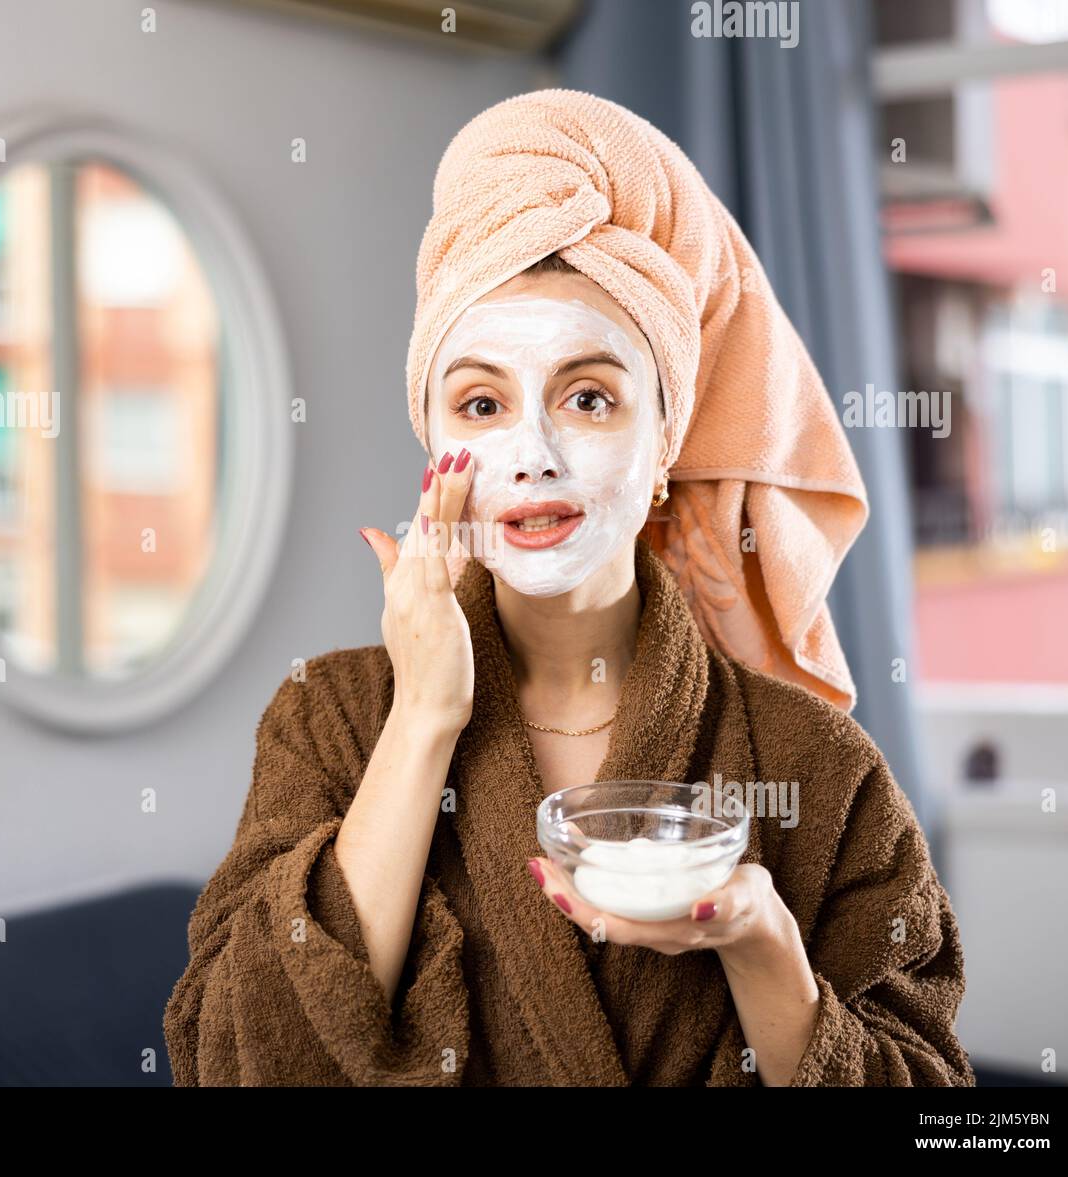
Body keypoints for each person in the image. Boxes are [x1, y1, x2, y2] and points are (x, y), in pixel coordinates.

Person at [162, 89, 975, 1087]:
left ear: (664, 445)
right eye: (481, 402)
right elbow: (233, 1063)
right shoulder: (327, 721)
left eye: (588, 397)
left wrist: (761, 945)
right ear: (434, 442)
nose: (533, 454)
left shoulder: (816, 766)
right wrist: (423, 717)